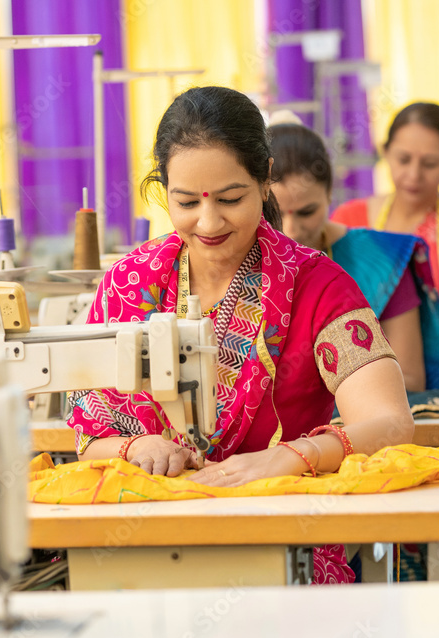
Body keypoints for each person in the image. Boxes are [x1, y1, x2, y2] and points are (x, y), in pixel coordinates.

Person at [66, 86, 414, 583]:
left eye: (230, 199)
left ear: (265, 177)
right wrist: (135, 448)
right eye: (186, 202)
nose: (207, 222)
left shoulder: (316, 285)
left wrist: (290, 456)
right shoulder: (131, 282)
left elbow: (391, 426)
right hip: (139, 535)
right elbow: (87, 435)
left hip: (278, 537)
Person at [268, 119, 439, 392]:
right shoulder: (232, 264)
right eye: (275, 215)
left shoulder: (383, 261)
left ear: (330, 195)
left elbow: (409, 379)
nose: (291, 230)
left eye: (307, 212)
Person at [330, 102, 439, 336]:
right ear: (385, 152)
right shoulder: (348, 221)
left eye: (430, 164)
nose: (414, 175)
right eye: (404, 160)